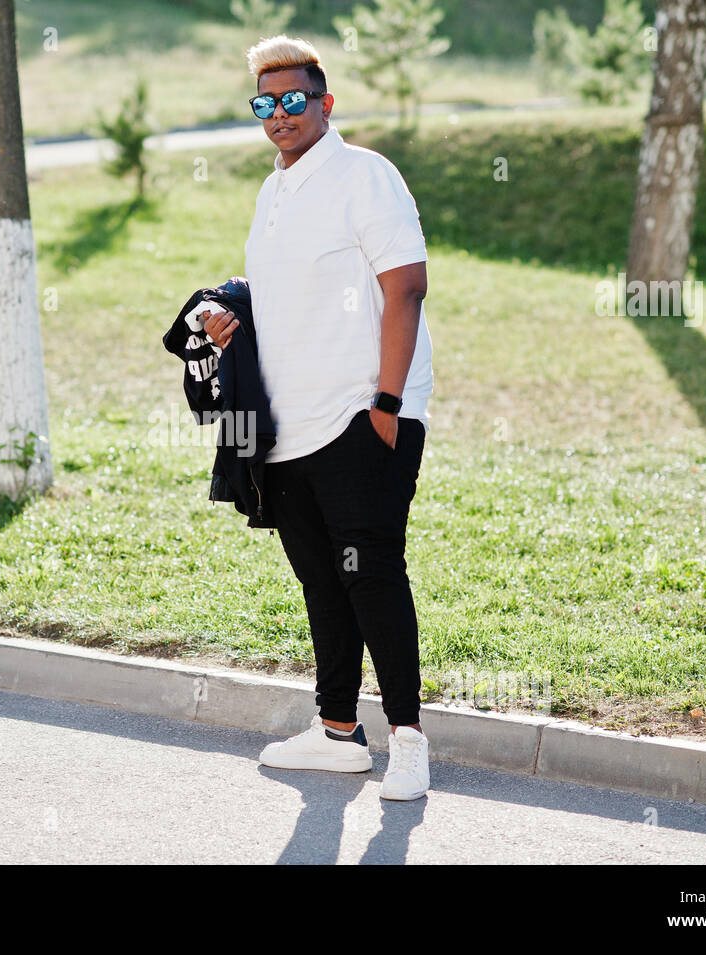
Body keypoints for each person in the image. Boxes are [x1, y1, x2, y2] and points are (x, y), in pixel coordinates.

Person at [203, 35, 433, 801]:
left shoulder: (365, 175)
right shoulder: (273, 192)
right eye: (264, 103)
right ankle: (338, 734)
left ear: (324, 103)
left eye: (293, 100)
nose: (279, 115)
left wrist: (389, 408)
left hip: (361, 416)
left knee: (373, 576)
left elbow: (405, 288)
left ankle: (408, 740)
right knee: (321, 583)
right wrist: (229, 317)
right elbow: (281, 297)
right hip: (287, 425)